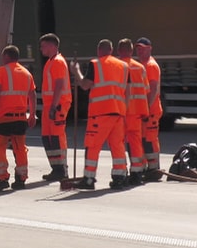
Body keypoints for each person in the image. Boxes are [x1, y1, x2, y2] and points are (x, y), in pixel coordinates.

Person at [70, 39, 129, 190]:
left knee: (93, 146)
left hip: (100, 113)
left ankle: (89, 179)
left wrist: (76, 71)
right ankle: (120, 178)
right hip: (118, 113)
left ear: (99, 50)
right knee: (117, 146)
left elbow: (84, 85)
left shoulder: (95, 64)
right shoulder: (123, 66)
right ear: (111, 50)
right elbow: (126, 91)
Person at [0, 45, 37, 192]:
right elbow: (32, 95)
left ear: (7, 56)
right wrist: (32, 114)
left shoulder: (0, 71)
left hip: (3, 118)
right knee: (20, 149)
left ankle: (3, 179)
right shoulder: (27, 73)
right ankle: (21, 179)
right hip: (21, 118)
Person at [38, 33, 73, 181]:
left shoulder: (58, 62)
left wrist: (53, 106)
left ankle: (62, 169)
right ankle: (56, 168)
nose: (41, 49)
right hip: (50, 106)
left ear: (53, 46)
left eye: (44, 46)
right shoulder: (51, 62)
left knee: (57, 137)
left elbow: (59, 85)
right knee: (48, 138)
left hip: (57, 105)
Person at [117, 38, 148, 185]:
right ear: (131, 51)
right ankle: (137, 173)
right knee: (135, 142)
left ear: (118, 51)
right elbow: (146, 90)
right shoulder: (140, 67)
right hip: (136, 112)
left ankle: (121, 173)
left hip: (122, 111)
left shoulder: (117, 66)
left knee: (119, 143)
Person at [135, 37, 163, 181]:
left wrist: (145, 109)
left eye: (142, 48)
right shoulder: (143, 65)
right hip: (146, 110)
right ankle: (148, 168)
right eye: (138, 48)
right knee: (144, 139)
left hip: (150, 111)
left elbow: (153, 90)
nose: (139, 51)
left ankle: (153, 169)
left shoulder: (151, 65)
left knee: (150, 139)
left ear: (149, 48)